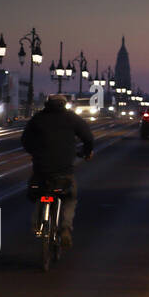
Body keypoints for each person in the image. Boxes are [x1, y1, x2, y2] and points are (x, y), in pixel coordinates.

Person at [21, 94, 95, 248]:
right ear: (64, 104)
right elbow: (88, 138)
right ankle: (66, 228)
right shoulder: (72, 118)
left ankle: (37, 223)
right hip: (64, 168)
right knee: (70, 197)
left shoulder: (38, 118)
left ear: (47, 104)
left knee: (39, 193)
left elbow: (25, 139)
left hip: (41, 167)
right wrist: (87, 152)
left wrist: (35, 151)